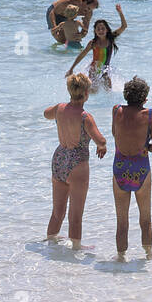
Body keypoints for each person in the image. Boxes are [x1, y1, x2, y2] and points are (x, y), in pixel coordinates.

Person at [44, 73, 109, 251]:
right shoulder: (85, 117)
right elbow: (100, 140)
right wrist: (102, 146)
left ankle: (51, 239)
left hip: (59, 158)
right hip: (77, 162)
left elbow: (46, 114)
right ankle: (76, 246)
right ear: (86, 93)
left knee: (57, 209)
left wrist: (59, 115)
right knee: (76, 212)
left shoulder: (59, 108)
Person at [112, 76, 152, 259]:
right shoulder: (150, 114)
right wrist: (145, 146)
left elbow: (115, 134)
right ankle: (148, 255)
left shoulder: (116, 110)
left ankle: (120, 257)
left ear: (125, 95)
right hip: (141, 170)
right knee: (145, 218)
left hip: (120, 169)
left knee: (121, 221)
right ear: (145, 98)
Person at [68, 5, 127, 91]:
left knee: (108, 92)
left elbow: (124, 26)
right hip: (93, 72)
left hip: (105, 73)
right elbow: (82, 55)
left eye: (103, 28)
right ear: (95, 31)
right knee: (93, 93)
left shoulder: (111, 38)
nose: (100, 31)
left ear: (107, 30)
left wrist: (120, 12)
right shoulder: (93, 43)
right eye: (98, 29)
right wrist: (72, 68)